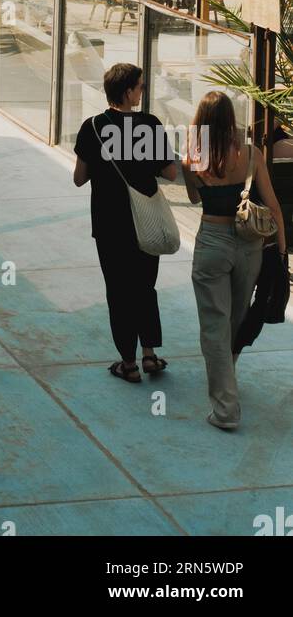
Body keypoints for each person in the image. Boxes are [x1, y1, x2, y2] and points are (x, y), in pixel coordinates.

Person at [183, 91, 286, 430]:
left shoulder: (193, 156)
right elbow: (273, 206)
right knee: (236, 319)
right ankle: (228, 382)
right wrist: (281, 253)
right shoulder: (252, 155)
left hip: (212, 241)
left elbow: (194, 197)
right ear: (231, 119)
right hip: (249, 245)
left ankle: (225, 408)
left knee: (215, 324)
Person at [74, 63, 178, 382]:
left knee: (118, 290)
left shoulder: (92, 127)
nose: (143, 91)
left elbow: (79, 178)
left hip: (109, 224)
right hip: (145, 220)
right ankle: (149, 356)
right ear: (128, 92)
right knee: (145, 287)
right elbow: (171, 173)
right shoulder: (149, 125)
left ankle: (127, 363)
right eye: (141, 86)